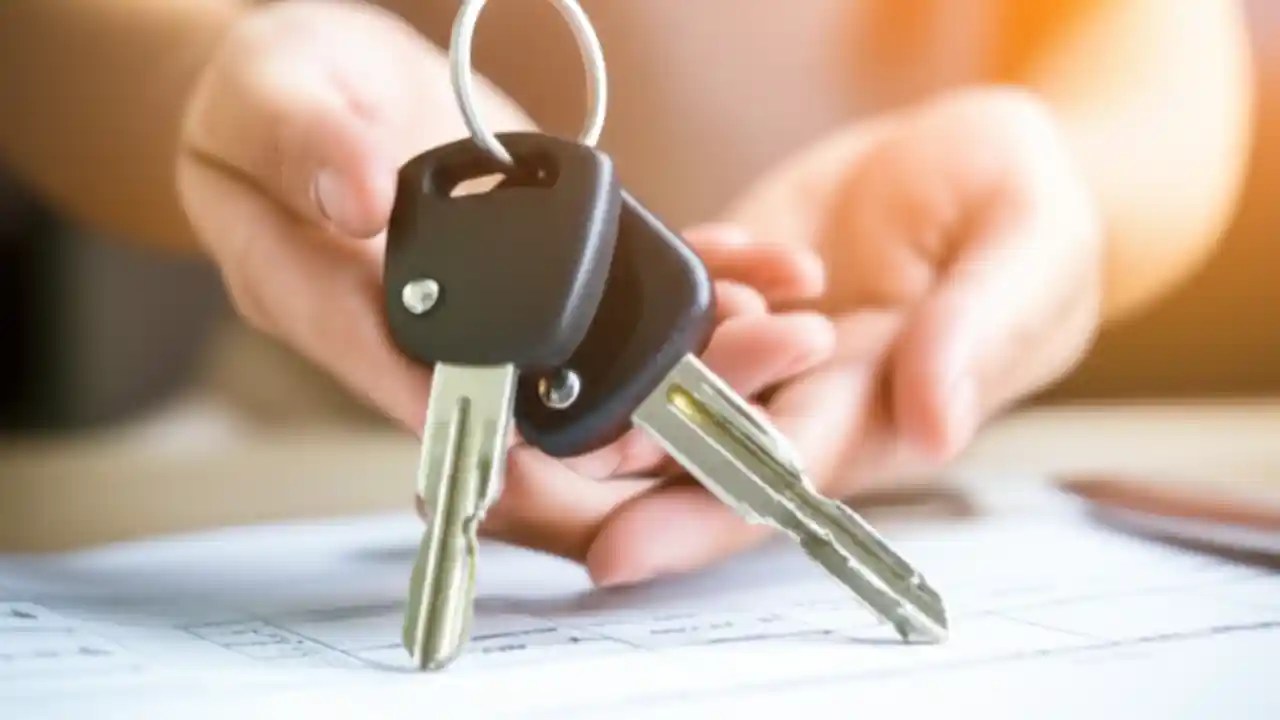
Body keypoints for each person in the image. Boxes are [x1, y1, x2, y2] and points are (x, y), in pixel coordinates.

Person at [0, 1, 1254, 586]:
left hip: (947, 417)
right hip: (284, 427)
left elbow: (1161, 46)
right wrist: (205, 77)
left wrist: (1071, 173)